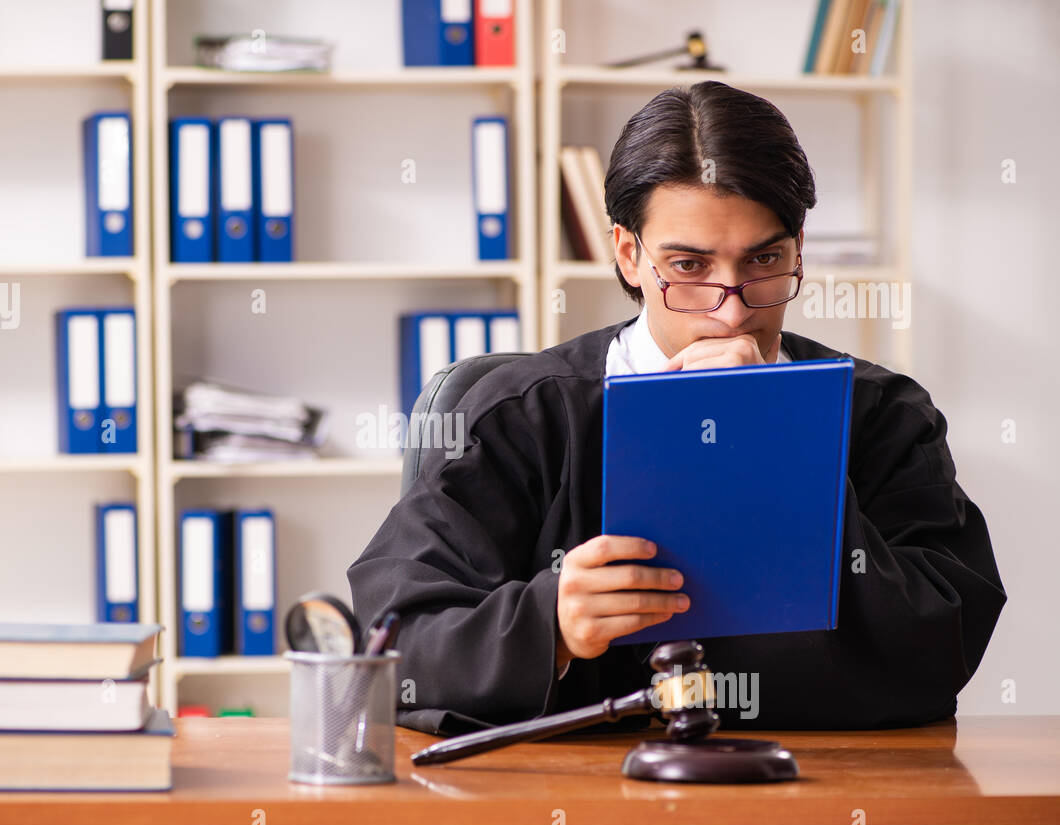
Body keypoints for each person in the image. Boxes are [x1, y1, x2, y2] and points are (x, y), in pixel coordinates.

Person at [346, 81, 1007, 737]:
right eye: (689, 266)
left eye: (765, 260)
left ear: (799, 248)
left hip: (816, 799)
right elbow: (395, 645)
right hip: (576, 813)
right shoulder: (518, 418)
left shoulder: (881, 414)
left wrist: (782, 449)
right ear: (629, 254)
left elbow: (945, 639)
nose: (732, 309)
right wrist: (548, 625)